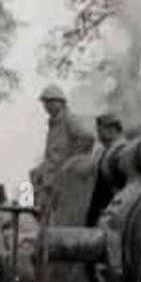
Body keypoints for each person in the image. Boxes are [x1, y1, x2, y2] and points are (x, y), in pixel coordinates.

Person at [29, 84, 94, 214]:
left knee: (58, 210)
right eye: (45, 102)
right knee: (34, 176)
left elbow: (88, 138)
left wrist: (71, 161)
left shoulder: (70, 120)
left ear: (60, 102)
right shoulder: (53, 123)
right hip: (51, 172)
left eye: (50, 101)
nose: (47, 106)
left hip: (63, 174)